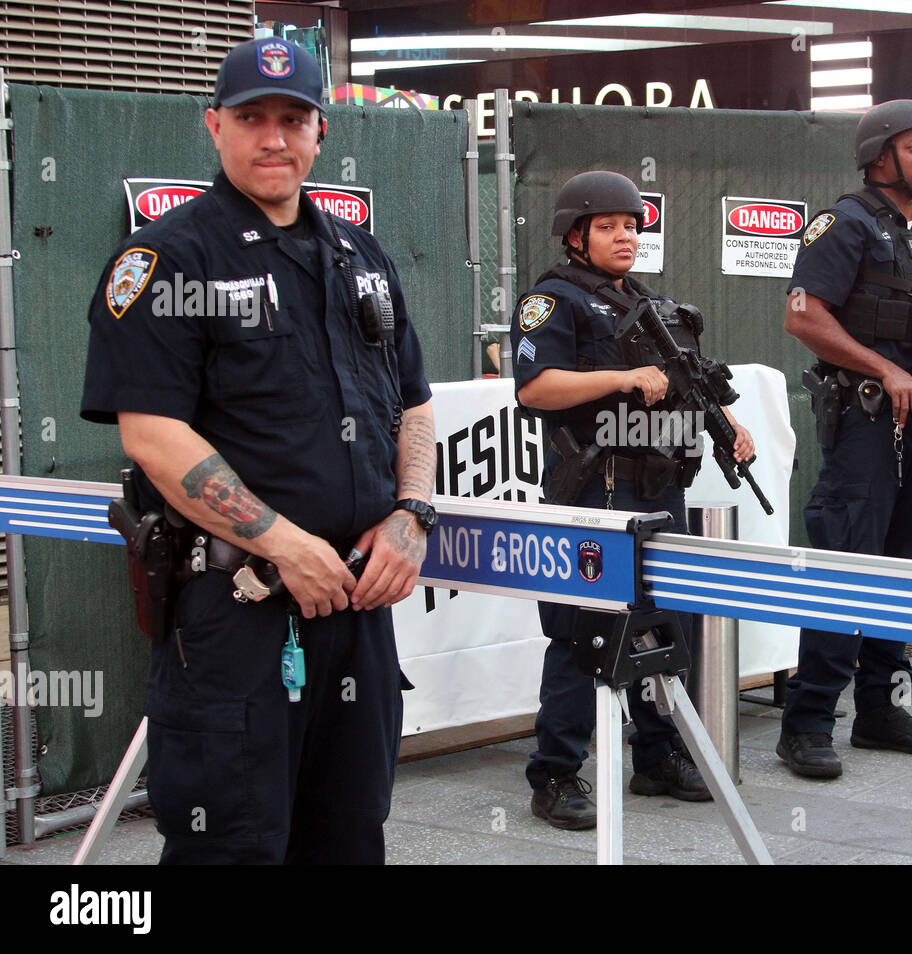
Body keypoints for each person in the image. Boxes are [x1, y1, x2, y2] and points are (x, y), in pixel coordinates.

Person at [80, 38, 437, 863]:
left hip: (356, 613)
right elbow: (153, 435)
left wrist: (413, 515)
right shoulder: (167, 260)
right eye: (251, 118)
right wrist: (281, 542)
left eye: (292, 118)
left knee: (349, 837)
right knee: (230, 845)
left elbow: (413, 405)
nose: (273, 137)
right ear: (214, 126)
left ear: (320, 132)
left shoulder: (362, 258)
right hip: (236, 617)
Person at [510, 171, 755, 829]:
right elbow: (534, 388)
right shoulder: (553, 301)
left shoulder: (655, 305)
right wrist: (621, 377)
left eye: (632, 225)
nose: (625, 236)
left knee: (661, 627)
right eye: (609, 226)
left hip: (658, 488)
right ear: (576, 234)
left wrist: (728, 428)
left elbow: (689, 385)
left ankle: (656, 755)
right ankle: (556, 772)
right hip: (593, 488)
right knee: (580, 633)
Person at [777, 100, 912, 779]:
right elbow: (803, 318)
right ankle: (808, 723)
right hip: (868, 422)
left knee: (905, 568)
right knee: (846, 562)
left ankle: (879, 708)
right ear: (879, 155)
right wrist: (885, 369)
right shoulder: (843, 226)